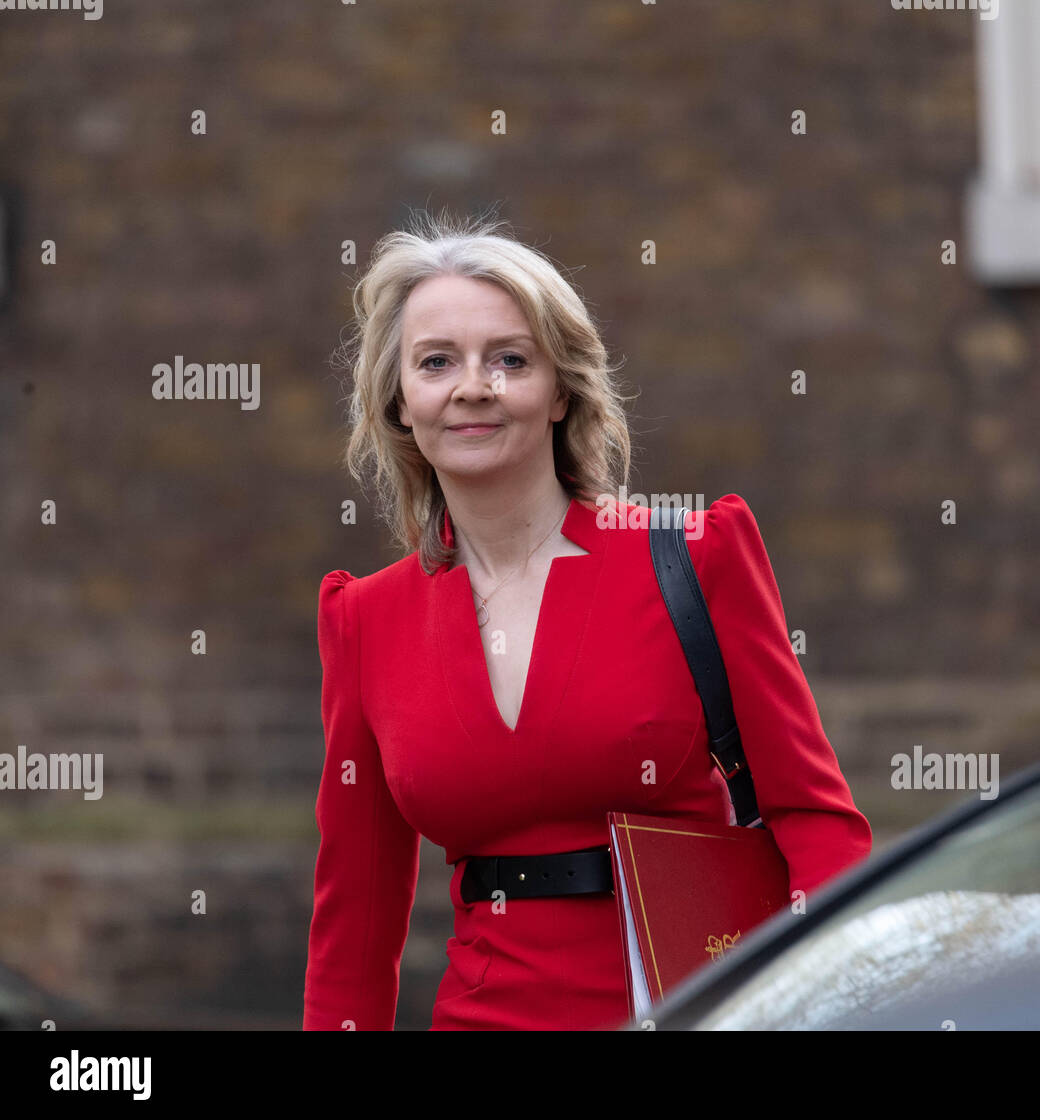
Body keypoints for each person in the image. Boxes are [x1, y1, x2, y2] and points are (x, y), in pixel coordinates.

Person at [301, 210, 873, 1031]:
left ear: (562, 388)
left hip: (702, 1010)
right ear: (398, 402)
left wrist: (826, 1009)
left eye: (509, 358)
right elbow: (354, 923)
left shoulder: (696, 557)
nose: (473, 385)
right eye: (436, 362)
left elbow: (817, 821)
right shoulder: (364, 619)